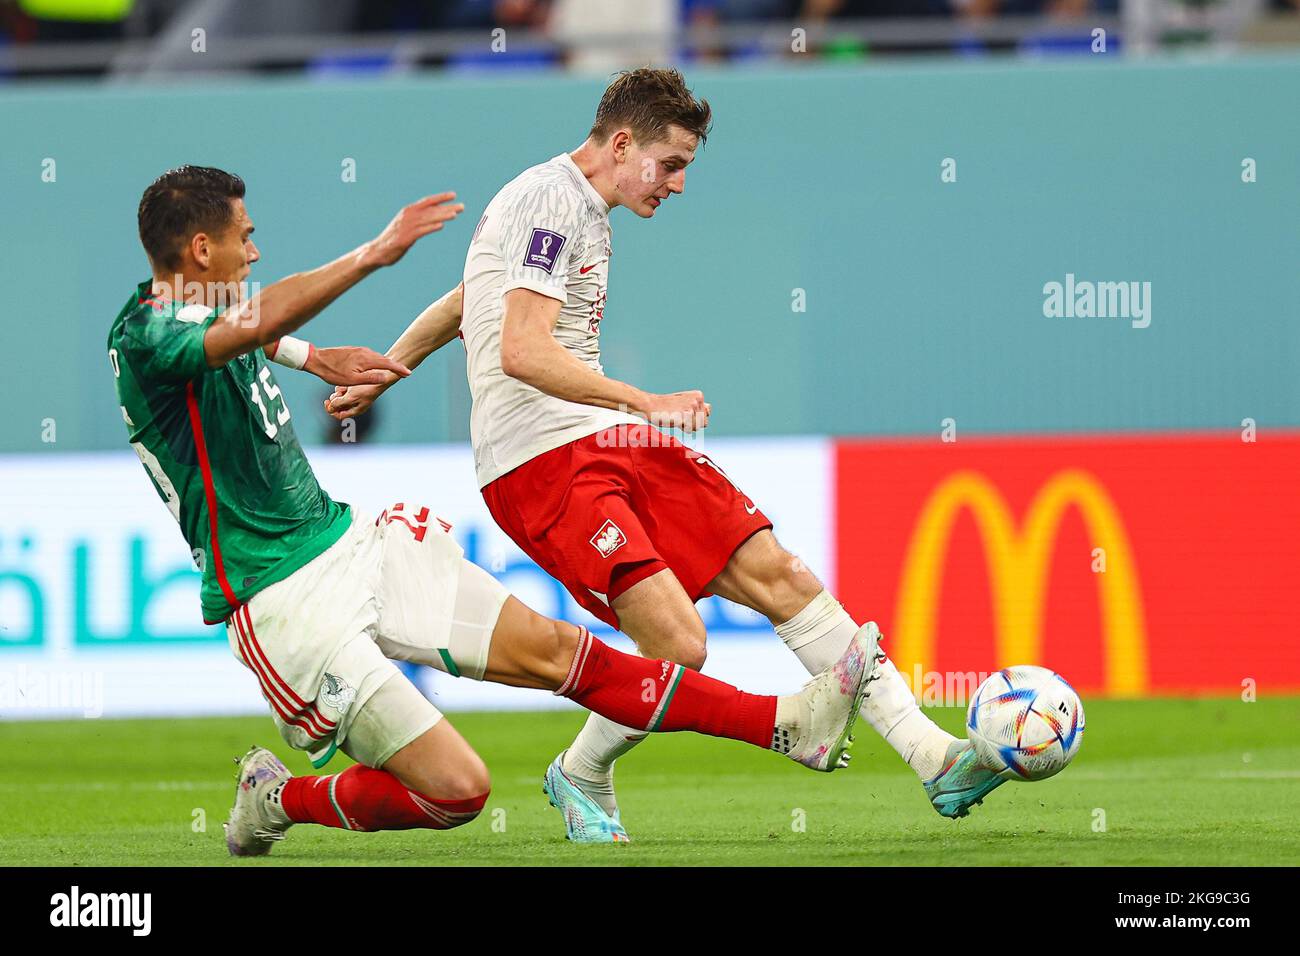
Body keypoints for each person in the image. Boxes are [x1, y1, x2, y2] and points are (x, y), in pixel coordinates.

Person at [109, 165, 879, 856]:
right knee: (456, 792)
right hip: (280, 599)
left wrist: (314, 357)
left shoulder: (193, 312)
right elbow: (243, 324)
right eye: (247, 238)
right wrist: (370, 257)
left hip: (349, 544)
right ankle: (277, 799)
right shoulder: (146, 334)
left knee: (556, 651)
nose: (256, 252)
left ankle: (785, 724)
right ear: (201, 250)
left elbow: (245, 328)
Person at [327, 68, 1005, 843]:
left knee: (777, 572)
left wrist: (393, 364)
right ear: (622, 144)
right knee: (678, 642)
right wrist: (639, 400)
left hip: (602, 438)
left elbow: (466, 298)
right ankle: (580, 770)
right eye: (671, 164)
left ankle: (932, 756)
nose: (679, 185)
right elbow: (518, 349)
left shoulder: (572, 204)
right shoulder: (550, 199)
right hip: (539, 460)